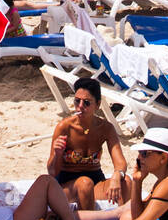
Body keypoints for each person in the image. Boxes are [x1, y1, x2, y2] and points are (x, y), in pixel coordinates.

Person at [47, 78, 129, 209]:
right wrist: (57, 154)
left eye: (86, 103)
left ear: (97, 105)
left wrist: (117, 175)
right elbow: (52, 171)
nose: (80, 106)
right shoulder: (64, 127)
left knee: (126, 183)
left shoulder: (105, 128)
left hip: (95, 179)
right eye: (77, 101)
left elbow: (120, 161)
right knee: (85, 184)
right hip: (67, 184)